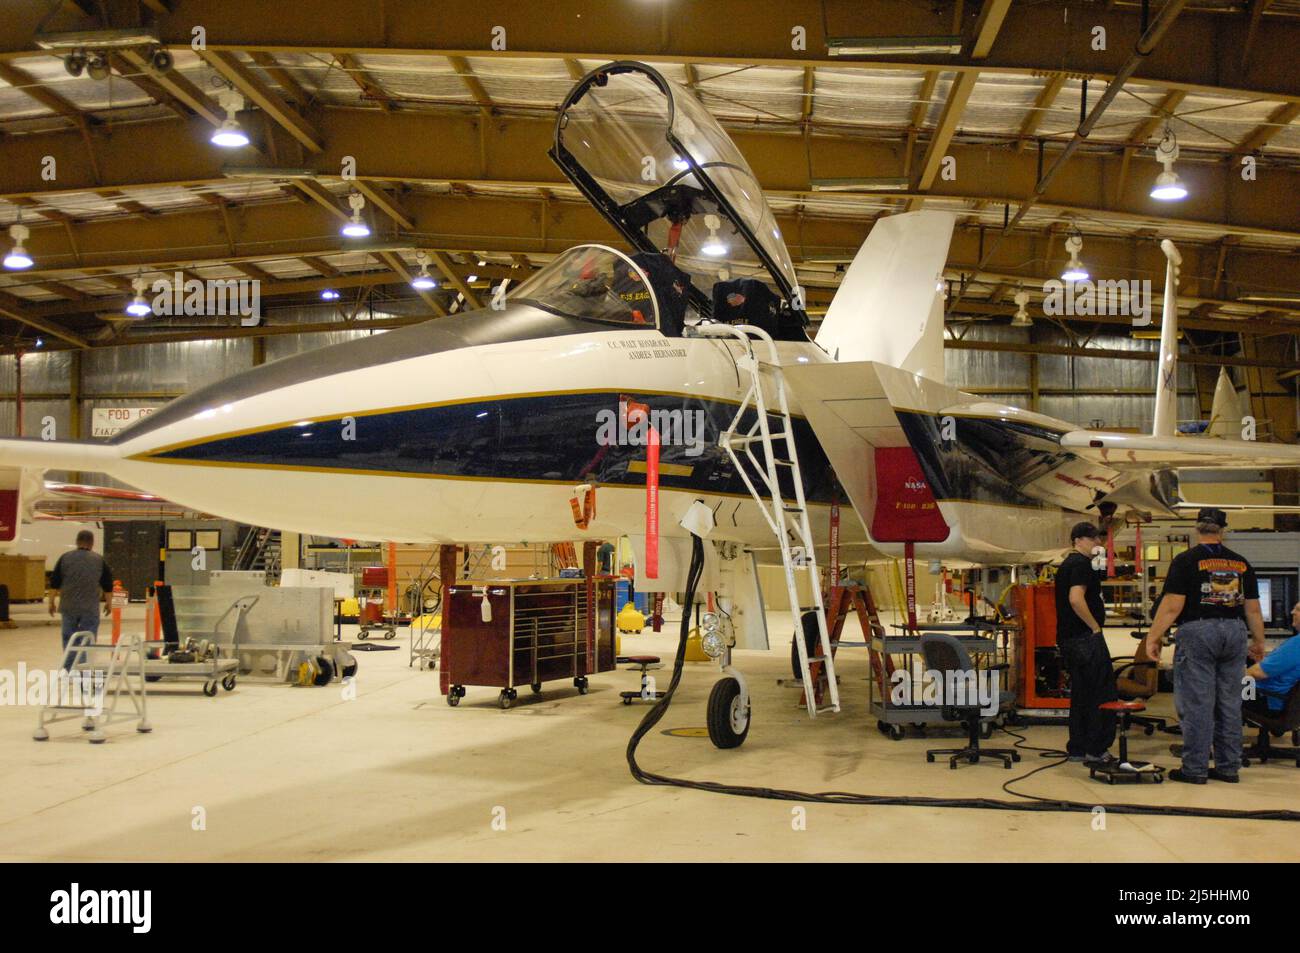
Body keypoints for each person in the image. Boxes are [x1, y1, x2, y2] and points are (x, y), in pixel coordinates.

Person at [1145, 507, 1266, 784]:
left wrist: (1153, 638)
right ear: (1223, 530)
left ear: (1197, 528)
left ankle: (1195, 769)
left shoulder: (1186, 561)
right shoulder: (1241, 563)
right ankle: (1228, 767)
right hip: (1234, 632)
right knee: (1229, 703)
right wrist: (1258, 642)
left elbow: (1172, 606)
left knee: (1198, 703)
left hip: (1198, 631)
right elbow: (1254, 610)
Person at [1055, 521, 1117, 764]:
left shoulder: (1067, 565)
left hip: (1070, 639)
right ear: (1078, 540)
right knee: (1101, 693)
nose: (1098, 543)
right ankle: (1096, 748)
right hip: (1084, 638)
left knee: (1081, 693)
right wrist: (1094, 627)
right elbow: (1076, 599)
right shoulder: (1081, 565)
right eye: (1093, 539)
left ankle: (1078, 748)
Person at [48, 530, 113, 670]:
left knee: (68, 638)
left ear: (77, 542)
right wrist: (109, 603)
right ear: (92, 543)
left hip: (68, 606)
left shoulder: (65, 558)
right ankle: (83, 667)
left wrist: (51, 602)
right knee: (87, 638)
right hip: (89, 608)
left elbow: (54, 583)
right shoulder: (99, 560)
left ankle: (69, 668)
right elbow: (107, 585)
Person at [1243, 601, 1300, 718]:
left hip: (1270, 700)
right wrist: (1262, 663)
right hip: (1288, 702)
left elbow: (1257, 673)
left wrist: (1227, 679)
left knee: (1219, 691)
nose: (1292, 612)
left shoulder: (1296, 644)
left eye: (1298, 609)